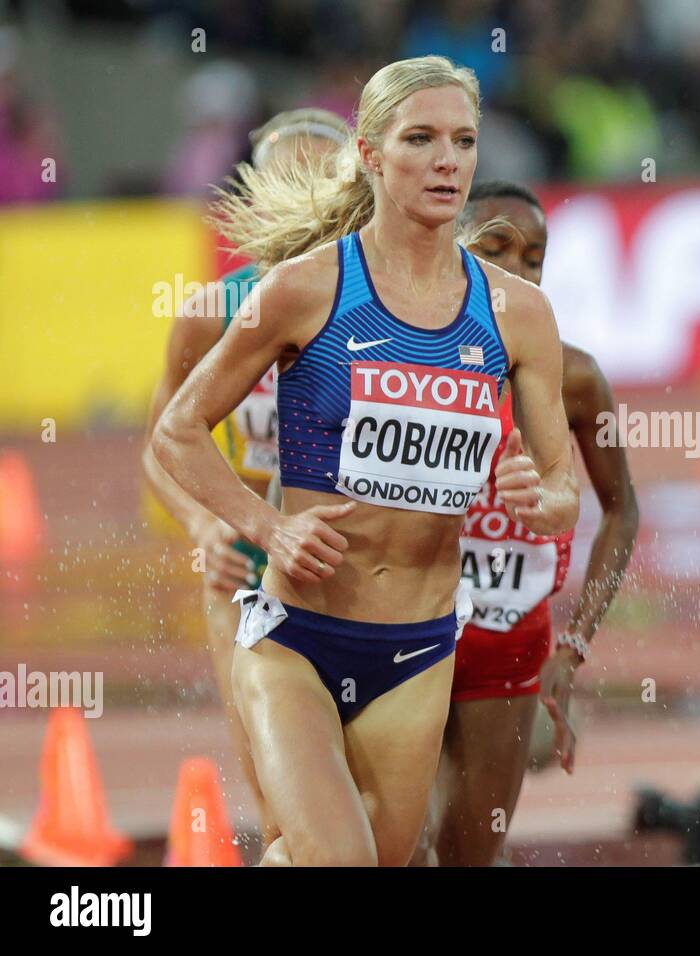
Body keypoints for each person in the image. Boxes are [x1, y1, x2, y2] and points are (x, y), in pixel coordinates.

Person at [152, 55, 579, 866]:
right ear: (372, 154)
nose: (447, 160)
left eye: (463, 141)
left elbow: (562, 494)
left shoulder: (518, 315)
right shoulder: (303, 289)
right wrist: (264, 527)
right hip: (295, 638)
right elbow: (176, 430)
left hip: (418, 650)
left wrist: (542, 498)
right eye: (420, 139)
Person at [143, 108, 350, 846]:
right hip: (249, 571)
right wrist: (207, 524)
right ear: (257, 196)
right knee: (278, 803)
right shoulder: (211, 315)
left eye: (321, 179)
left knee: (379, 814)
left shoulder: (386, 304)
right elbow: (159, 445)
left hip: (361, 573)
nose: (306, 198)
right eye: (286, 180)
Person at [426, 180, 639, 865]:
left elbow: (622, 510)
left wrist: (571, 648)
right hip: (408, 634)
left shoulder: (575, 377)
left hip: (510, 646)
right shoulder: (401, 356)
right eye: (495, 249)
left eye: (535, 256)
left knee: (470, 854)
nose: (519, 270)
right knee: (392, 846)